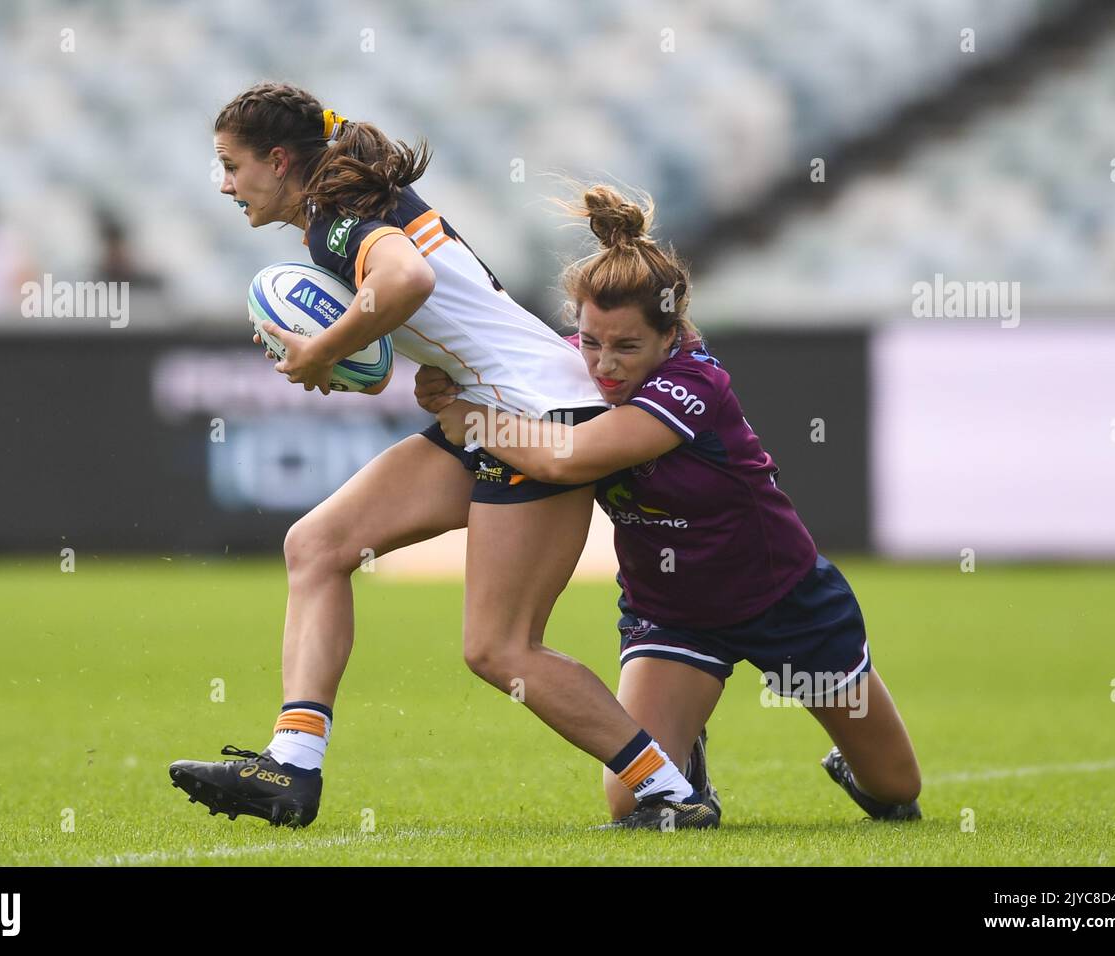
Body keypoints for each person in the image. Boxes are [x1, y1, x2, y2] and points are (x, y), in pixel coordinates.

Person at [168, 84, 716, 831]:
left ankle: (672, 792)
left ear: (277, 159)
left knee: (501, 649)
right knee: (318, 546)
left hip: (533, 412)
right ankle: (292, 767)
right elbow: (426, 306)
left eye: (230, 166)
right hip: (498, 408)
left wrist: (321, 352)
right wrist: (383, 365)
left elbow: (409, 281)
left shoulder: (337, 220)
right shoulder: (346, 211)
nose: (224, 185)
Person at [416, 183, 923, 824]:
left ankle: (852, 762)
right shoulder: (575, 368)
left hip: (785, 602)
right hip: (673, 613)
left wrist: (469, 416)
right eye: (590, 340)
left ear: (670, 334)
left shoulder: (693, 382)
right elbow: (498, 379)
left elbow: (562, 457)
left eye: (626, 347)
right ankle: (687, 764)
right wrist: (447, 385)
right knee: (632, 799)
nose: (602, 365)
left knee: (896, 792)